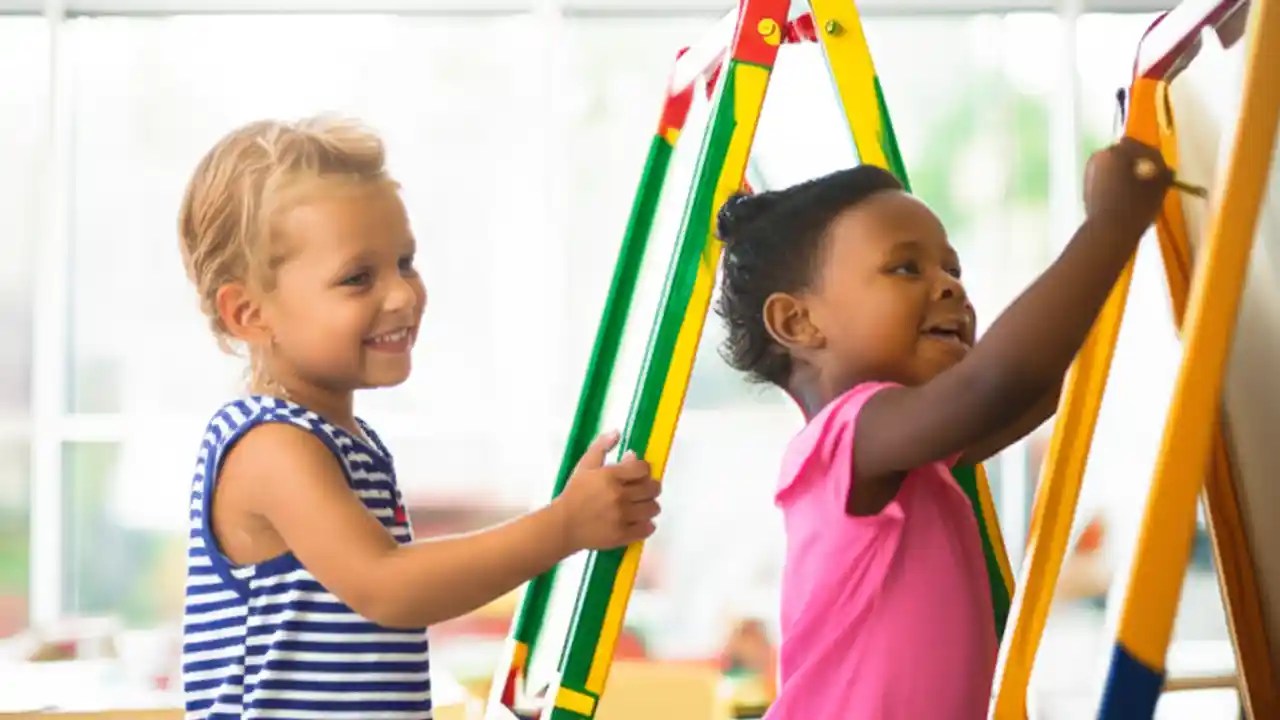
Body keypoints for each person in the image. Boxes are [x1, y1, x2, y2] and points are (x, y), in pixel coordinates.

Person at [176, 116, 661, 719]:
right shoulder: (271, 446)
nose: (403, 294)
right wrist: (563, 527)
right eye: (358, 278)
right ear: (248, 313)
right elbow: (388, 587)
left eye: (404, 262)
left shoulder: (347, 443)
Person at [713, 139, 1171, 718]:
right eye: (906, 268)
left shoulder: (910, 458)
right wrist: (1110, 226)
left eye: (952, 269)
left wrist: (1121, 247)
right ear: (798, 322)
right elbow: (995, 384)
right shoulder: (846, 438)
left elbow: (1037, 385)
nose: (951, 287)